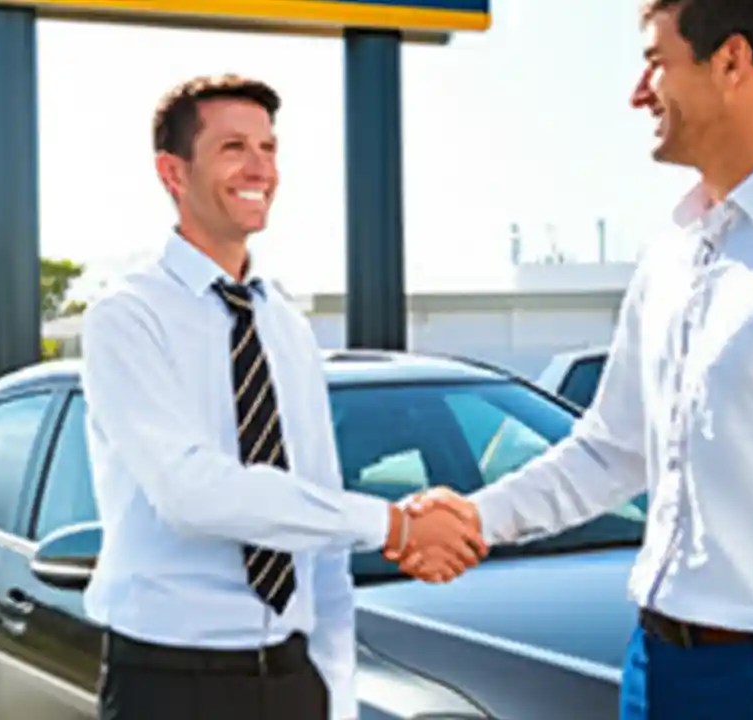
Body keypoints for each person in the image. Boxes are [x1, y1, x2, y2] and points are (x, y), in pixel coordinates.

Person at [408, 1, 753, 718]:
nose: (638, 93)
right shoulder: (675, 250)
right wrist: (476, 517)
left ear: (732, 62)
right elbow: (610, 450)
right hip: (657, 662)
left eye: (655, 61)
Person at [79, 73, 486, 720]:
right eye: (234, 147)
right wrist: (394, 523)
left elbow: (316, 517)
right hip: (168, 684)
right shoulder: (127, 317)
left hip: (292, 682)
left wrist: (336, 693)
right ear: (172, 172)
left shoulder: (284, 325)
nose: (260, 167)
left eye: (269, 149)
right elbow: (190, 492)